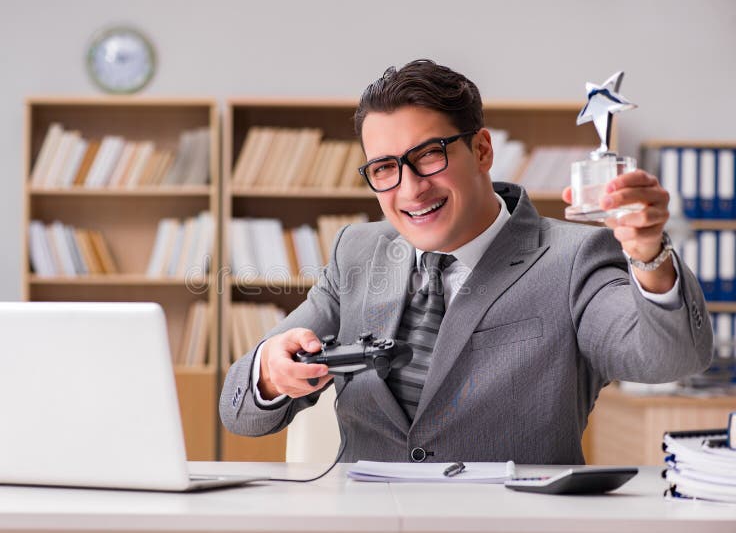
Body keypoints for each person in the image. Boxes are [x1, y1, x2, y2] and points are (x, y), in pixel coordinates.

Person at [219, 59, 713, 464]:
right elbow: (240, 412)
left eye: (429, 155)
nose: (410, 189)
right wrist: (270, 370)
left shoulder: (573, 257)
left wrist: (649, 254)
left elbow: (669, 358)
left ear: (481, 150)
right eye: (385, 168)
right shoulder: (357, 252)